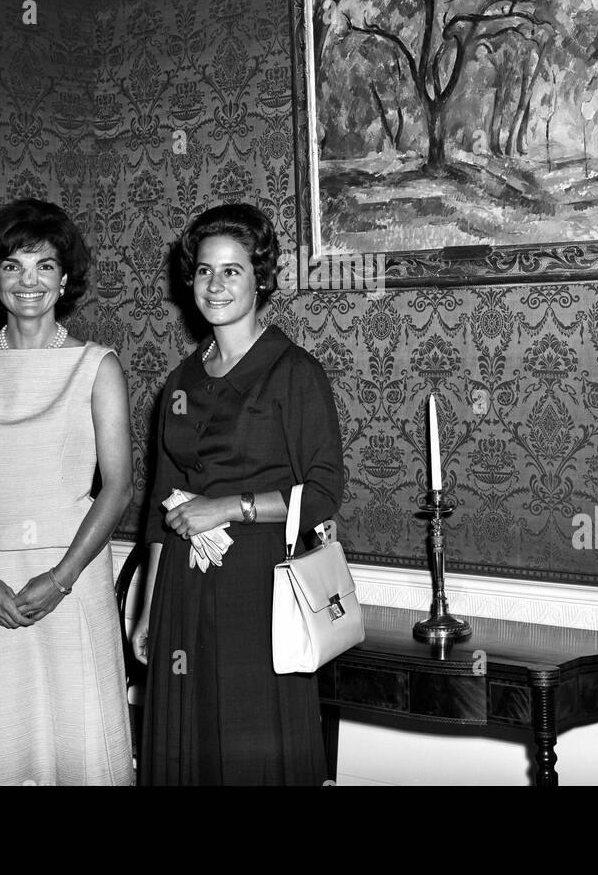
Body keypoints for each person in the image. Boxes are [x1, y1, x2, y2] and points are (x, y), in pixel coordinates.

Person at [133, 203, 345, 785]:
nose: (215, 284)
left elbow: (323, 493)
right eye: (204, 270)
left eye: (232, 270)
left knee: (253, 749)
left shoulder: (294, 372)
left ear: (260, 278)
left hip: (259, 590)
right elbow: (162, 500)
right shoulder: (180, 382)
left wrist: (228, 506)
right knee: (190, 744)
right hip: (183, 586)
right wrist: (150, 605)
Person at [0, 198, 134, 785]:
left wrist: (62, 577)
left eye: (44, 265)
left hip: (70, 579)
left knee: (81, 744)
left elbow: (118, 487)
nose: (29, 281)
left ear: (64, 278)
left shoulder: (97, 366)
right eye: (13, 266)